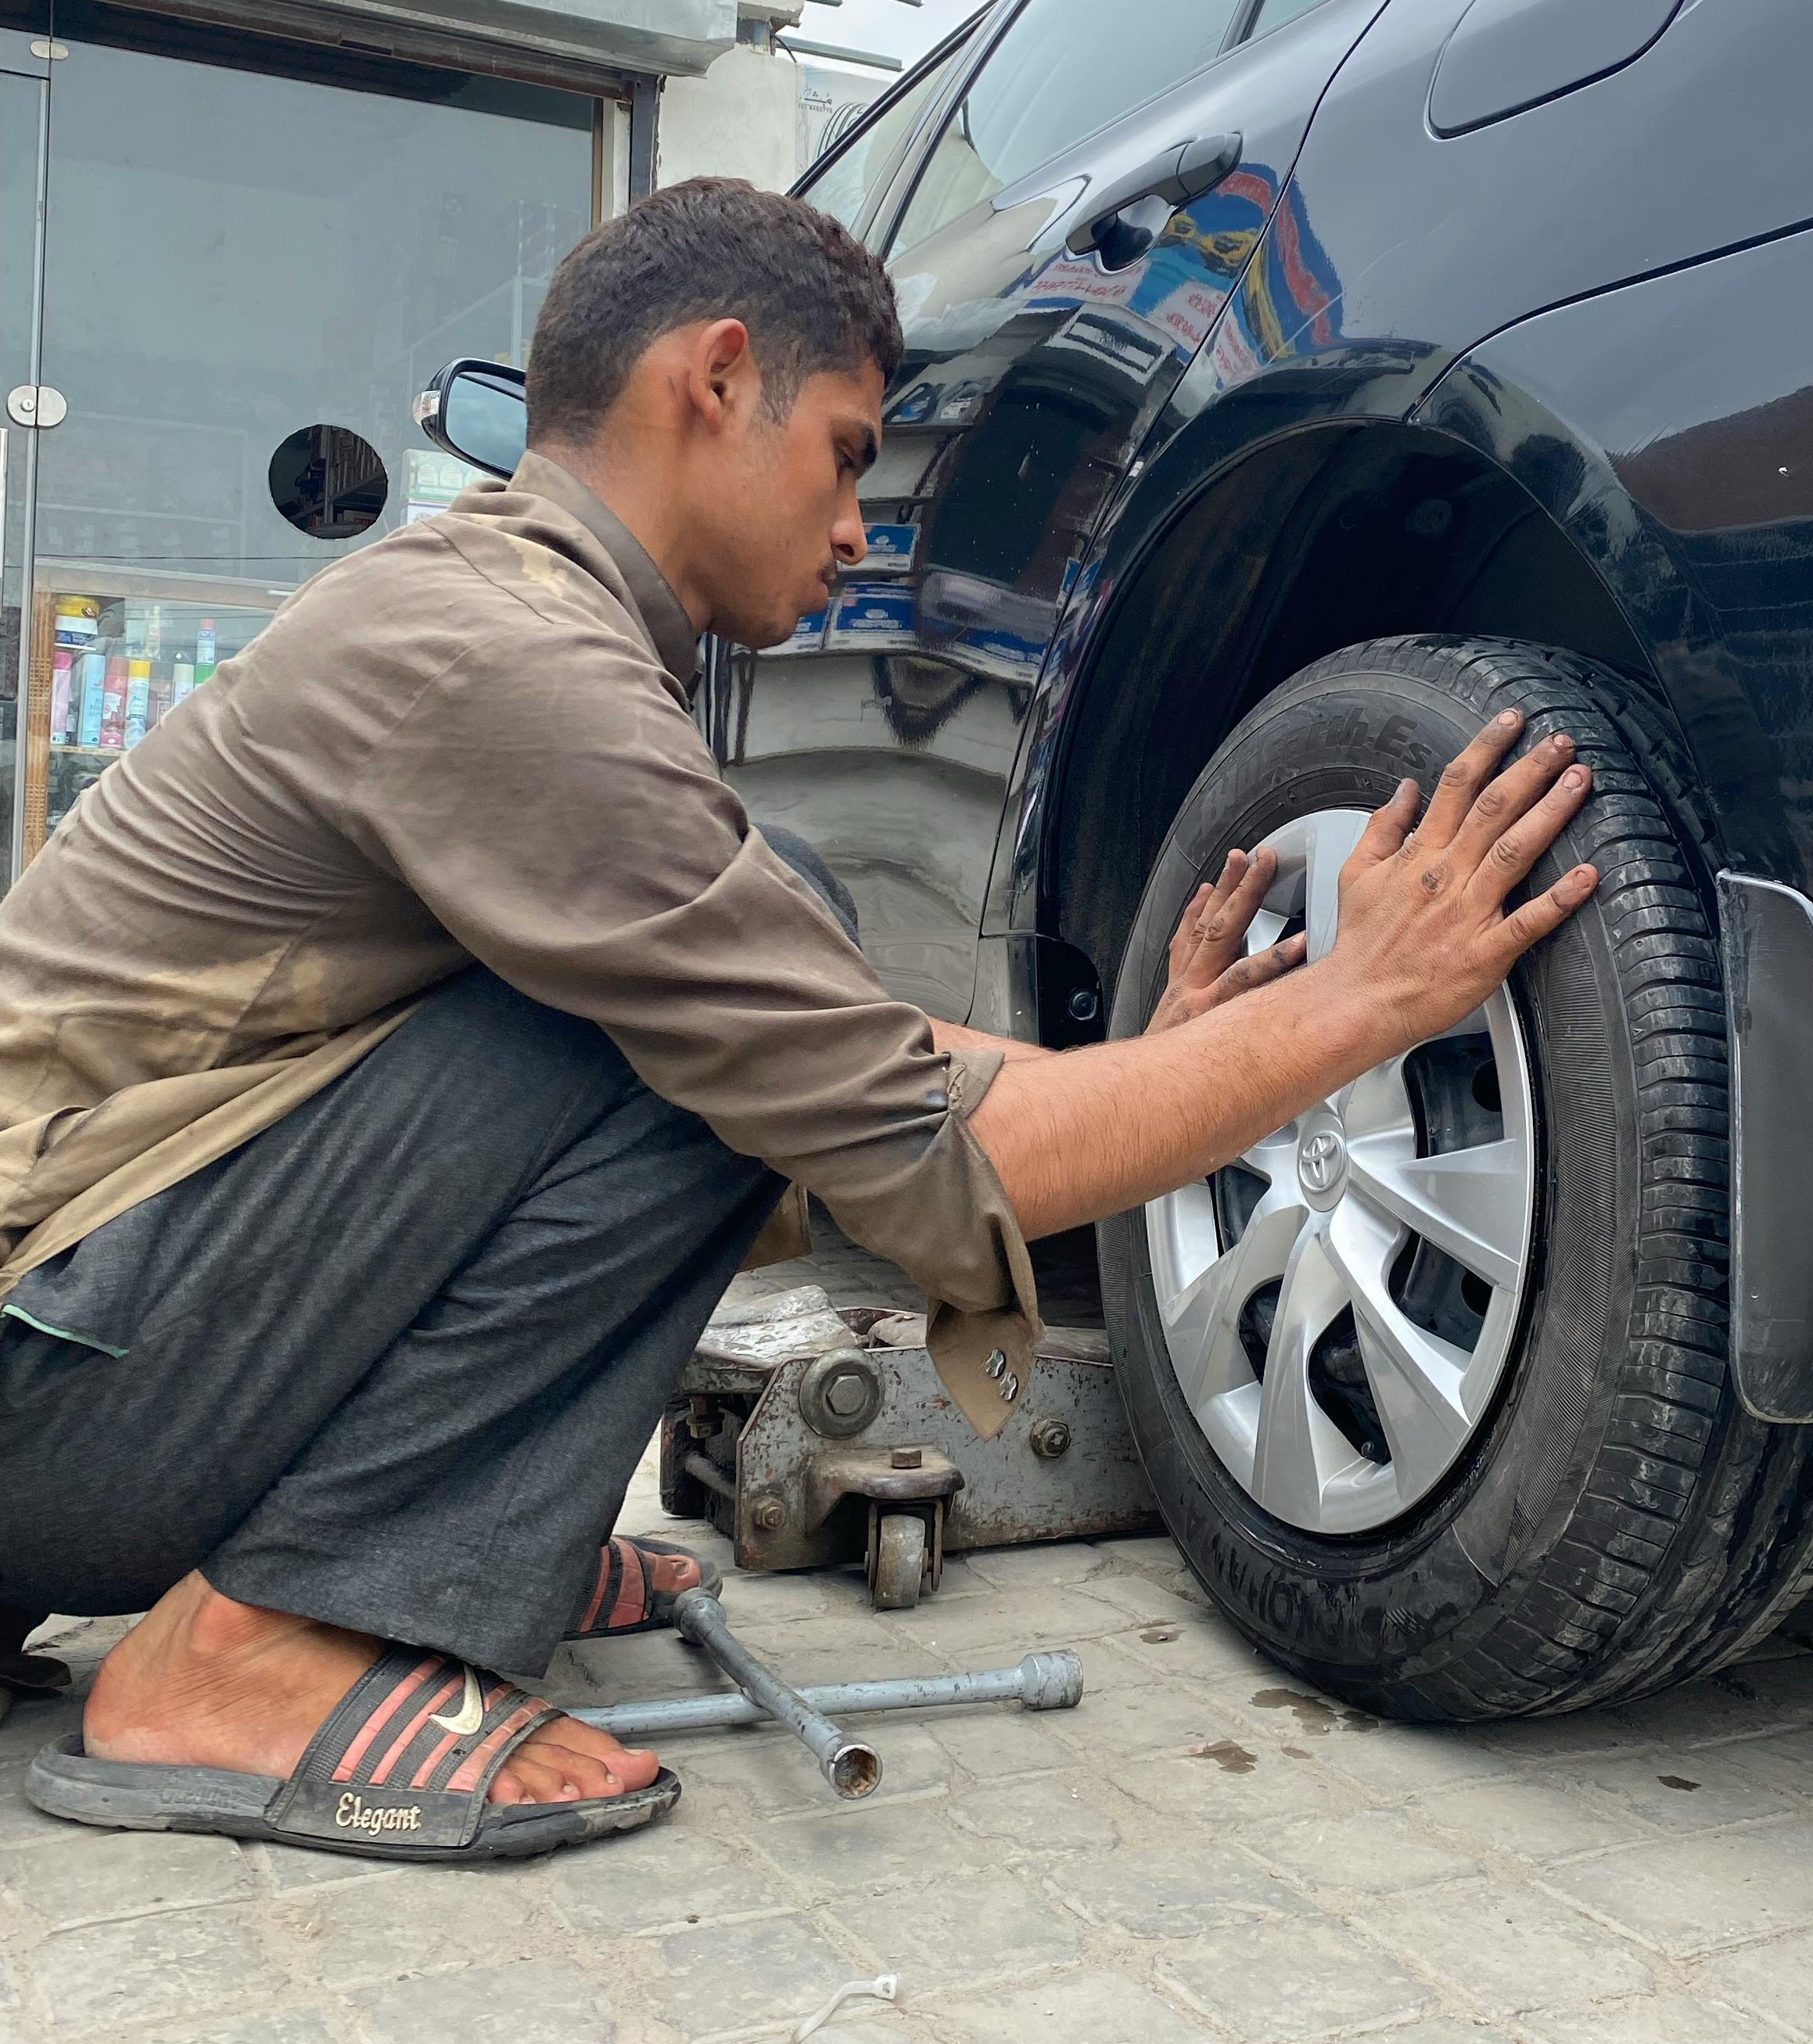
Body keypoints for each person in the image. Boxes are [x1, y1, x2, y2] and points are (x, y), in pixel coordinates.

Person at [0, 178, 1597, 1863]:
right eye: (846, 452)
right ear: (713, 379)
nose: (856, 527)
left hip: (92, 1357)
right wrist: (1356, 1004)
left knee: (736, 984)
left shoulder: (501, 610)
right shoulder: (508, 662)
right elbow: (883, 1133)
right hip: (53, 1380)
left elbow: (812, 1099)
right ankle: (257, 1652)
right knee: (678, 1016)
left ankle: (439, 1537)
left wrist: (1164, 1061)